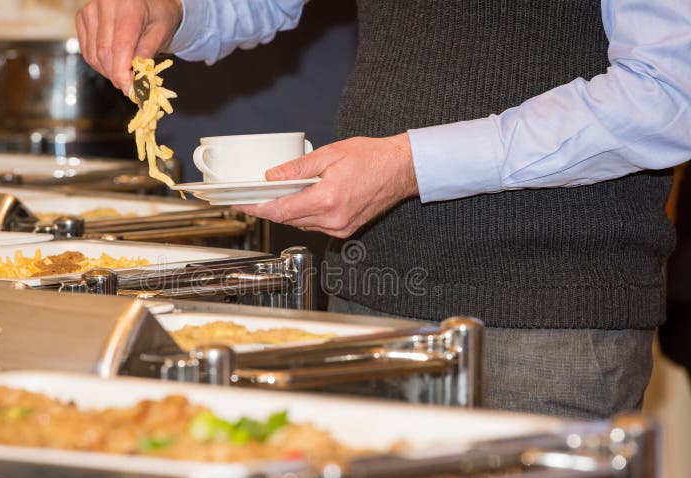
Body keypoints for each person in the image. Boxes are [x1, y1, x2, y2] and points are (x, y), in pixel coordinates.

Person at [77, 0, 691, 421]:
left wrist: (411, 165)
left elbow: (667, 96)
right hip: (364, 302)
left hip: (543, 323)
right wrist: (177, 10)